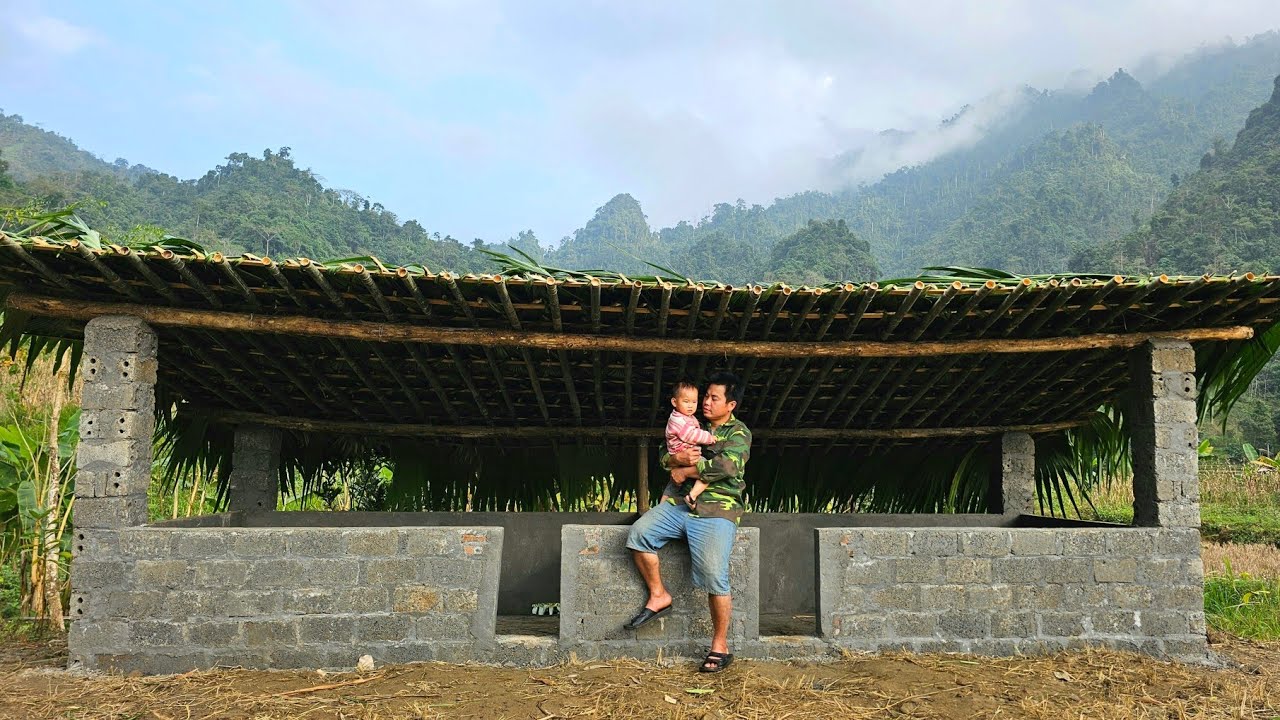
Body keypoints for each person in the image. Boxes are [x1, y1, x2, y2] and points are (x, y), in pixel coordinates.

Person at [624, 371, 751, 674]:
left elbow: (728, 466)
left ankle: (720, 645)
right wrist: (676, 462)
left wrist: (686, 471)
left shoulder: (738, 432)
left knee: (713, 574)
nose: (705, 402)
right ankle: (659, 594)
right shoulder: (689, 419)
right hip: (680, 505)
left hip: (718, 508)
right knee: (639, 535)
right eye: (705, 396)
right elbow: (662, 454)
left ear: (730, 404)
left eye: (713, 398)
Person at [664, 380, 719, 510]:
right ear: (674, 402)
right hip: (684, 453)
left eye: (694, 402)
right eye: (686, 401)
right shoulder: (677, 420)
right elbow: (692, 435)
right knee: (707, 471)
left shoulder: (685, 417)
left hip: (682, 456)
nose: (690, 406)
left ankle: (661, 505)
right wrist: (710, 438)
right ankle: (692, 496)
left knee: (673, 484)